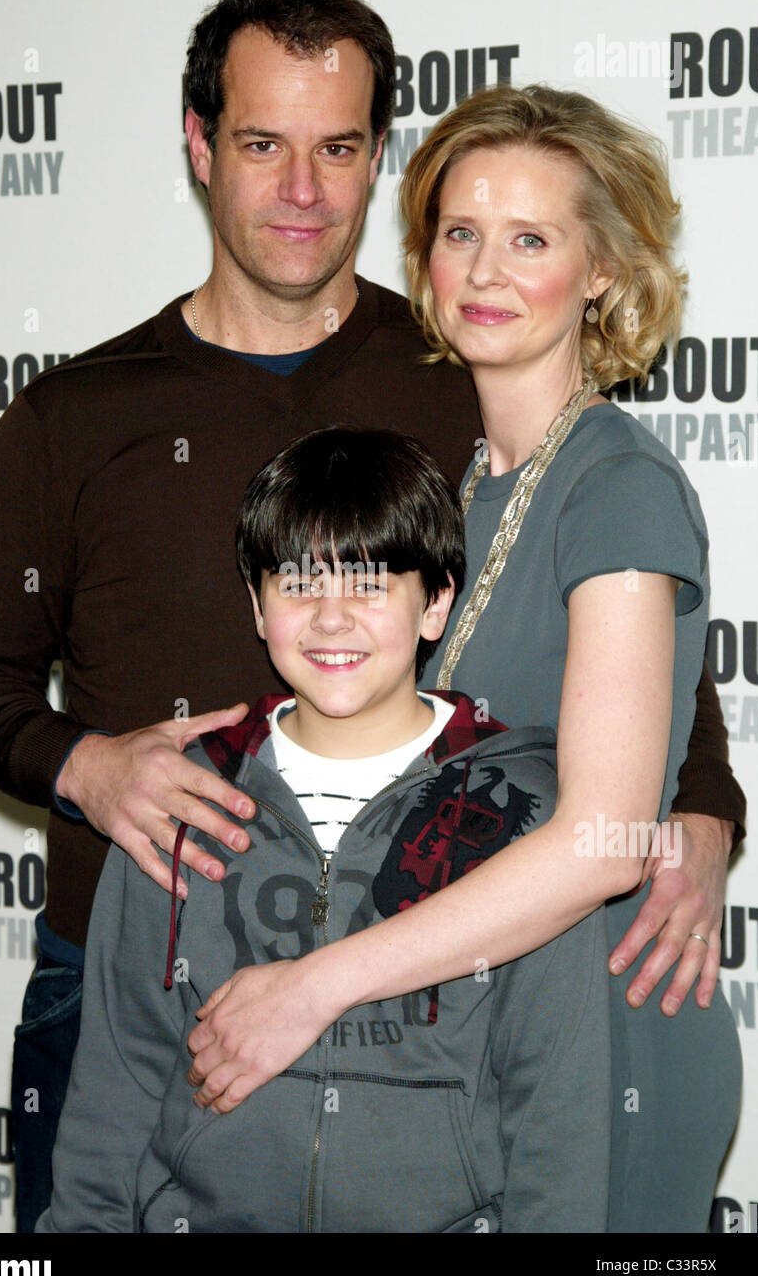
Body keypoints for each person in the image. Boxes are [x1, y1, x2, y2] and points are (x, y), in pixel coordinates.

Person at [0, 0, 742, 1232]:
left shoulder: (453, 375)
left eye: (338, 146)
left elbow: (641, 669)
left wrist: (692, 819)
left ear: (375, 160)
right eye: (262, 143)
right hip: (129, 972)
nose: (302, 190)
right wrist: (87, 766)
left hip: (421, 1008)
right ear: (199, 147)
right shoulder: (72, 412)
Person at [175, 85, 743, 1233]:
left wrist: (312, 986)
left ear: (599, 271)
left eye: (530, 239)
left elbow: (596, 839)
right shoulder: (463, 488)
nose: (485, 271)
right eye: (459, 233)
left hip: (604, 1038)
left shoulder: (616, 485)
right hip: (481, 1036)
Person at [37, 427, 612, 1234]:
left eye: (371, 584)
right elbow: (116, 1086)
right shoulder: (181, 797)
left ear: (437, 601)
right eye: (299, 585)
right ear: (256, 604)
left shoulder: (527, 812)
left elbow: (558, 1112)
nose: (331, 620)